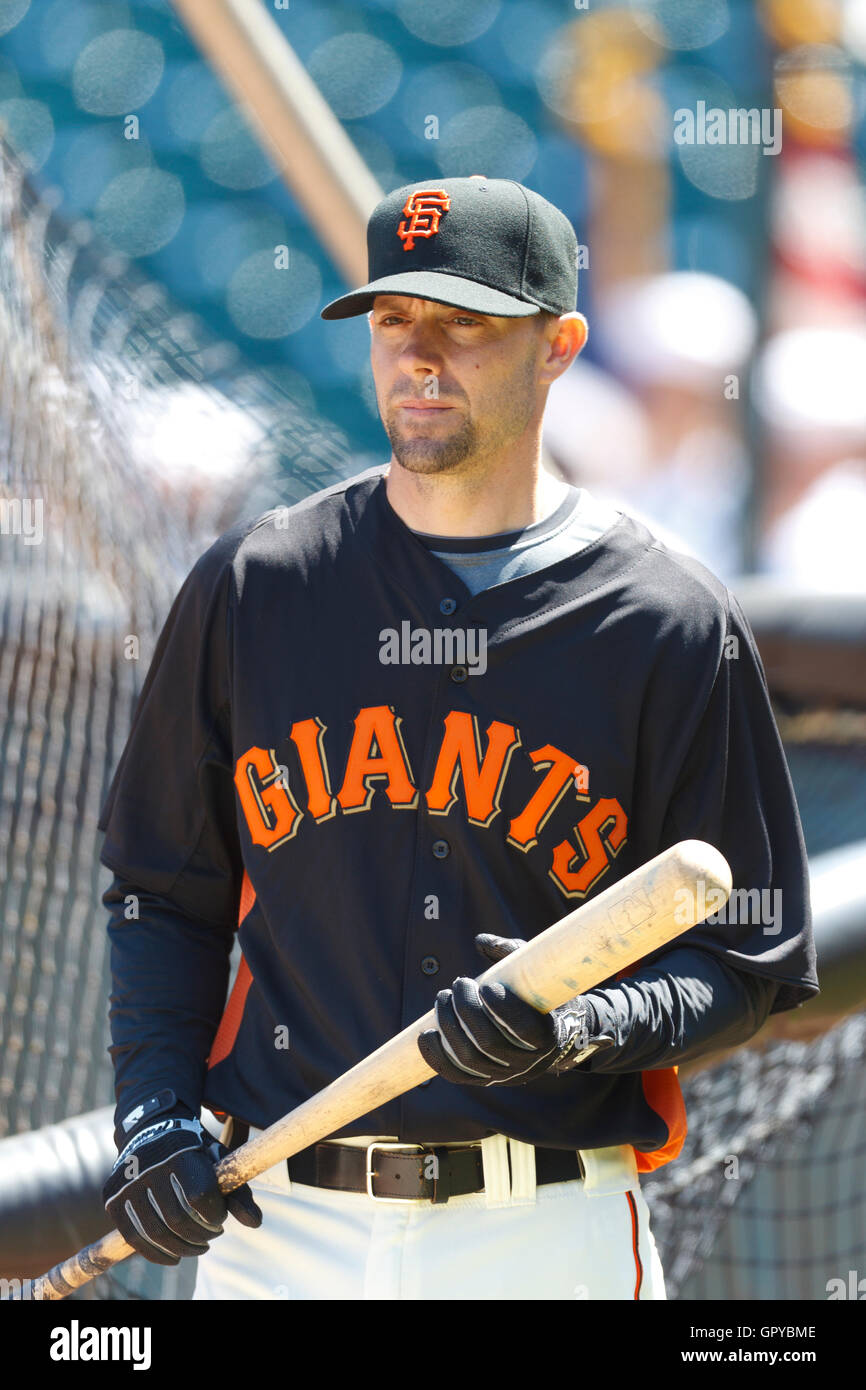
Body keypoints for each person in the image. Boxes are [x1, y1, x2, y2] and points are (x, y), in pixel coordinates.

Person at [98, 177, 817, 1301]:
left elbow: (745, 962)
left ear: (559, 345)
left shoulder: (666, 618)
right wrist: (150, 1115)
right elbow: (159, 890)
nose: (418, 355)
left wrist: (582, 1022)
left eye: (464, 322)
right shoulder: (257, 585)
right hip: (279, 1219)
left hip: (535, 1224)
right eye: (393, 320)